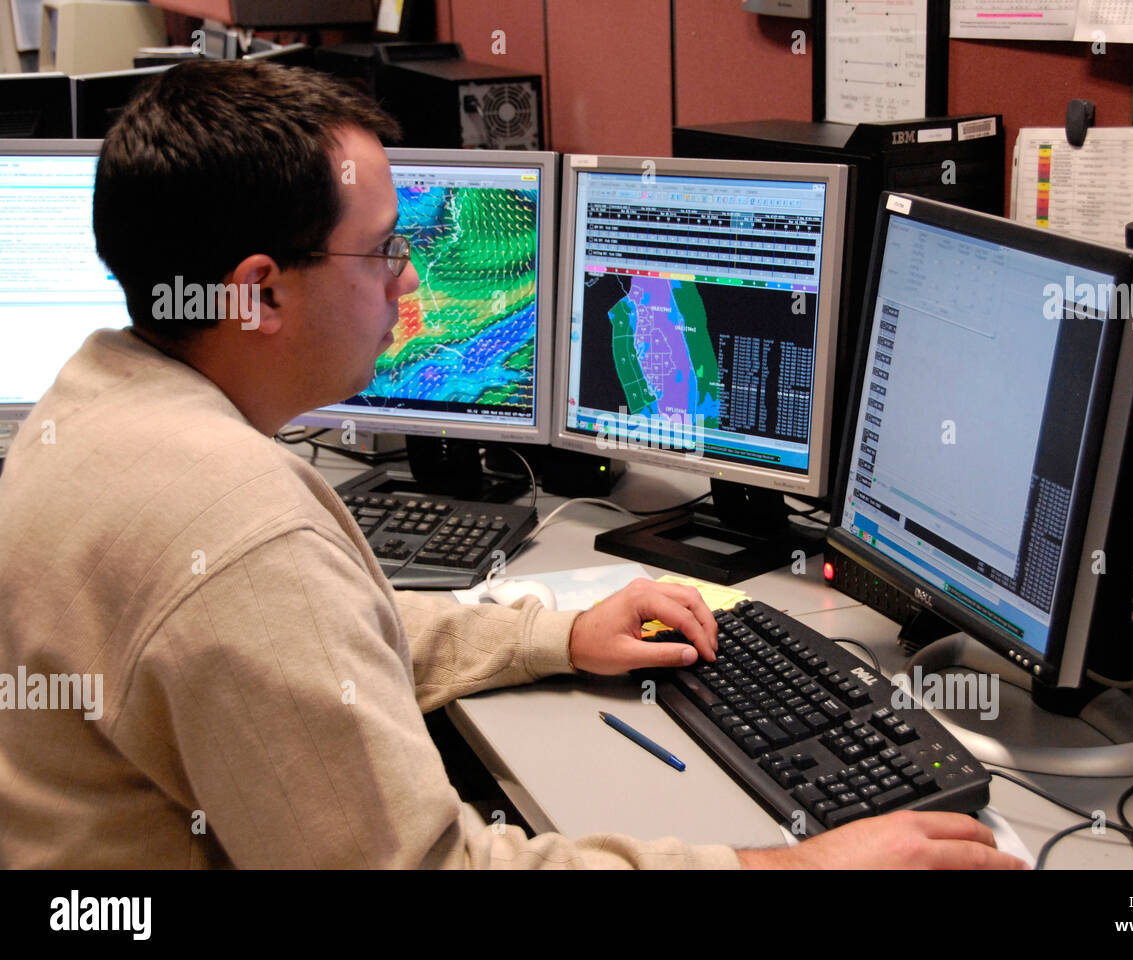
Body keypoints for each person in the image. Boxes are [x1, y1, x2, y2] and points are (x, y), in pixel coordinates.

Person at [0, 60, 1025, 870]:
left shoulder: (96, 402)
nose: (406, 278)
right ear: (259, 294)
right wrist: (790, 868)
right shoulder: (238, 529)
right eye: (384, 249)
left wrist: (553, 634)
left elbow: (317, 647)